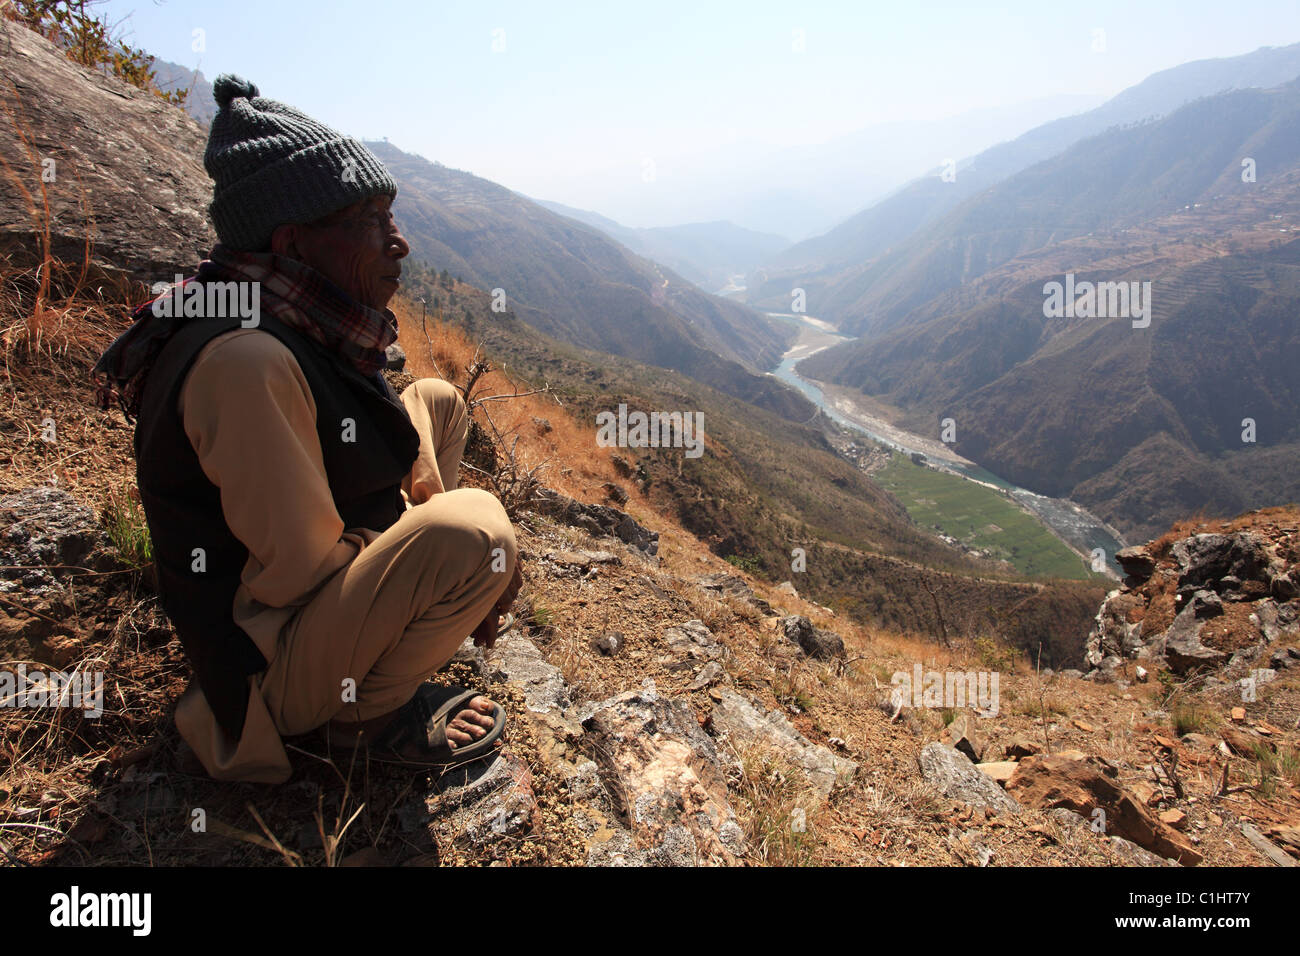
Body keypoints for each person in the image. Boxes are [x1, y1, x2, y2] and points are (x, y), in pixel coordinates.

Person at [93, 74, 519, 784]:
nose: (400, 243)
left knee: (438, 400)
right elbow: (299, 576)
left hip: (310, 599)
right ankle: (358, 722)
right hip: (272, 663)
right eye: (373, 221)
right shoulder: (246, 361)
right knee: (478, 532)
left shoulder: (288, 310)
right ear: (294, 240)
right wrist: (436, 537)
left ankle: (418, 587)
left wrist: (414, 520)